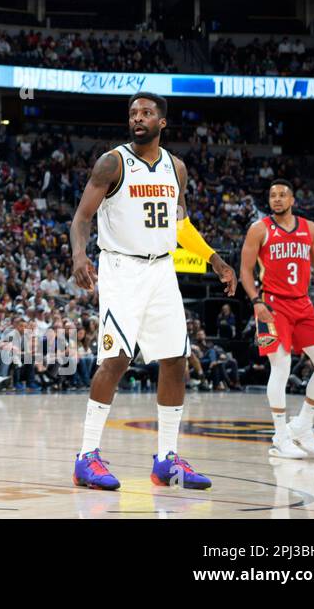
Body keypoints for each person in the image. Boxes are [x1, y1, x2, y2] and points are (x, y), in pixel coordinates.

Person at [70, 92, 236, 492]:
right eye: (133, 113)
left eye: (146, 113)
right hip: (122, 268)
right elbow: (81, 217)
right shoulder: (112, 162)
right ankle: (86, 457)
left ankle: (166, 459)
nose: (138, 118)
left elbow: (180, 227)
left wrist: (214, 259)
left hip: (162, 269)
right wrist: (79, 255)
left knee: (176, 359)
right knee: (116, 359)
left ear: (162, 122)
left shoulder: (176, 169)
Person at [238, 179, 314, 460]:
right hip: (271, 306)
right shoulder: (259, 229)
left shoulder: (310, 229)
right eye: (272, 195)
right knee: (281, 367)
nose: (277, 199)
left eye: (282, 194)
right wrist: (256, 301)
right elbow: (245, 272)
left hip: (304, 305)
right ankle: (280, 436)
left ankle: (303, 425)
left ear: (293, 200)